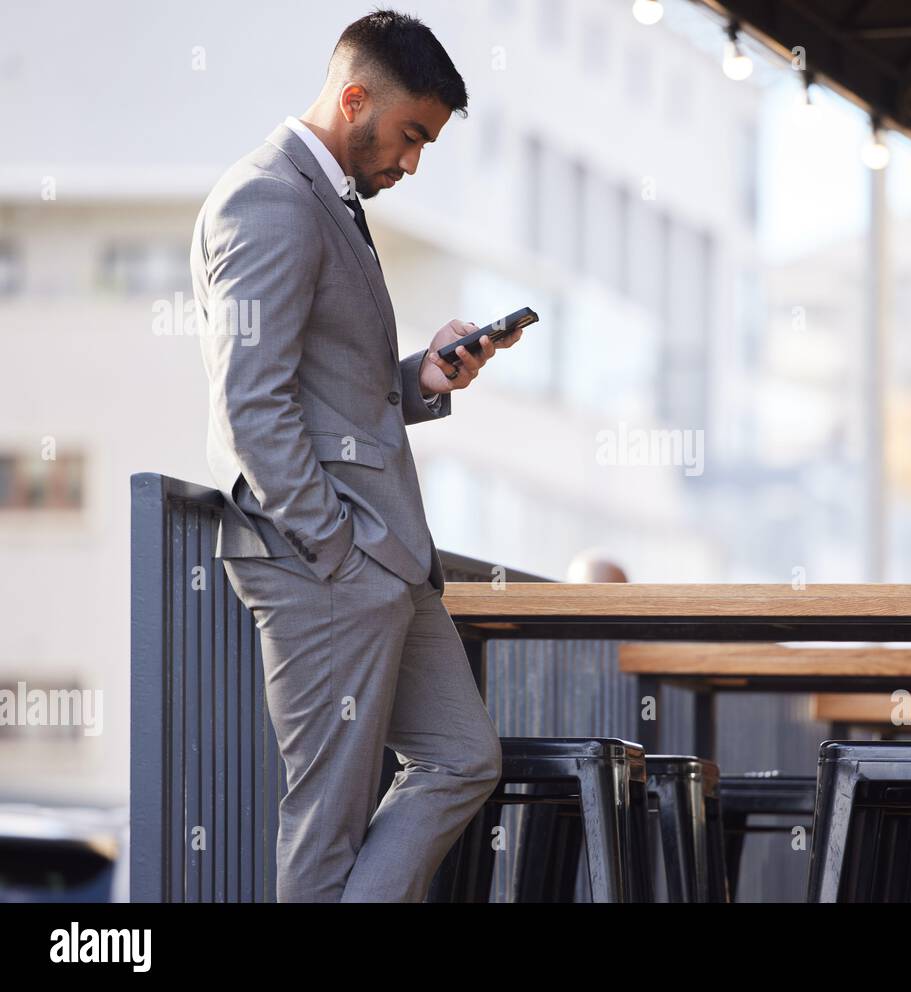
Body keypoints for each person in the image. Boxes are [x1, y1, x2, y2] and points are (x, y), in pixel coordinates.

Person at [193, 10, 520, 902]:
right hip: (326, 565)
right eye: (410, 135)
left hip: (383, 557)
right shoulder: (268, 196)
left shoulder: (326, 199)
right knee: (325, 829)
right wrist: (335, 550)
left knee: (460, 757)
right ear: (352, 97)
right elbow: (247, 404)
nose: (412, 163)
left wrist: (428, 375)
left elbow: (344, 391)